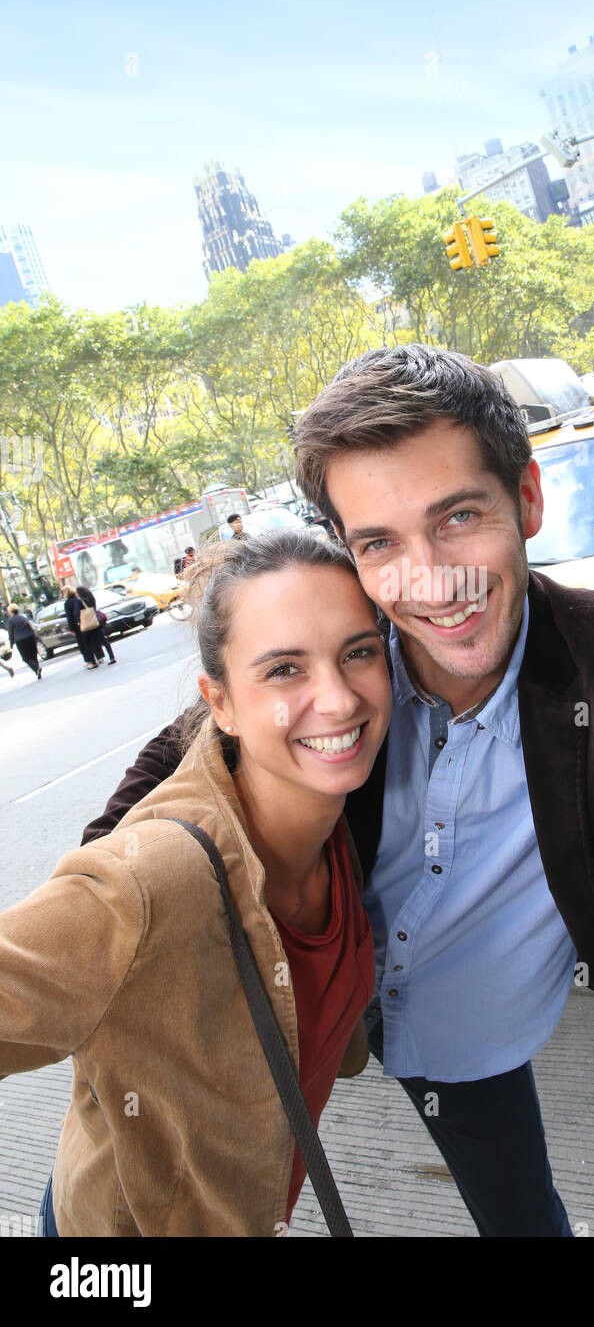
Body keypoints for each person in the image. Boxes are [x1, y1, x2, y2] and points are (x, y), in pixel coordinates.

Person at [84, 344, 594, 1238]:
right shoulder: (336, 661)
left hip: (466, 1040)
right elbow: (160, 785)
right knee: (110, 1207)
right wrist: (108, 918)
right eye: (380, 542)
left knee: (525, 1222)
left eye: (458, 516)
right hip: (289, 1007)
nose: (432, 582)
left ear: (527, 500)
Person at [0, 529, 392, 1236]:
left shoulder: (342, 816)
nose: (336, 700)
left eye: (358, 652)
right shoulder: (153, 878)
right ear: (220, 703)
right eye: (283, 671)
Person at [5, 603, 43, 680]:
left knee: (25, 658)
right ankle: (37, 670)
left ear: (10, 611)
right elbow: (30, 625)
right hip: (30, 636)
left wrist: (11, 644)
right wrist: (35, 636)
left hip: (20, 640)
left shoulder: (11, 620)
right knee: (33, 655)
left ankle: (36, 668)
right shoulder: (24, 616)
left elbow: (11, 633)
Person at [75, 585, 107, 668]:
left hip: (86, 623)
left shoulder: (80, 601)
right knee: (96, 640)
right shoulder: (91, 597)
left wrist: (78, 621)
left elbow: (77, 613)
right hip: (94, 621)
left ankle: (93, 662)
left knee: (87, 643)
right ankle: (100, 657)